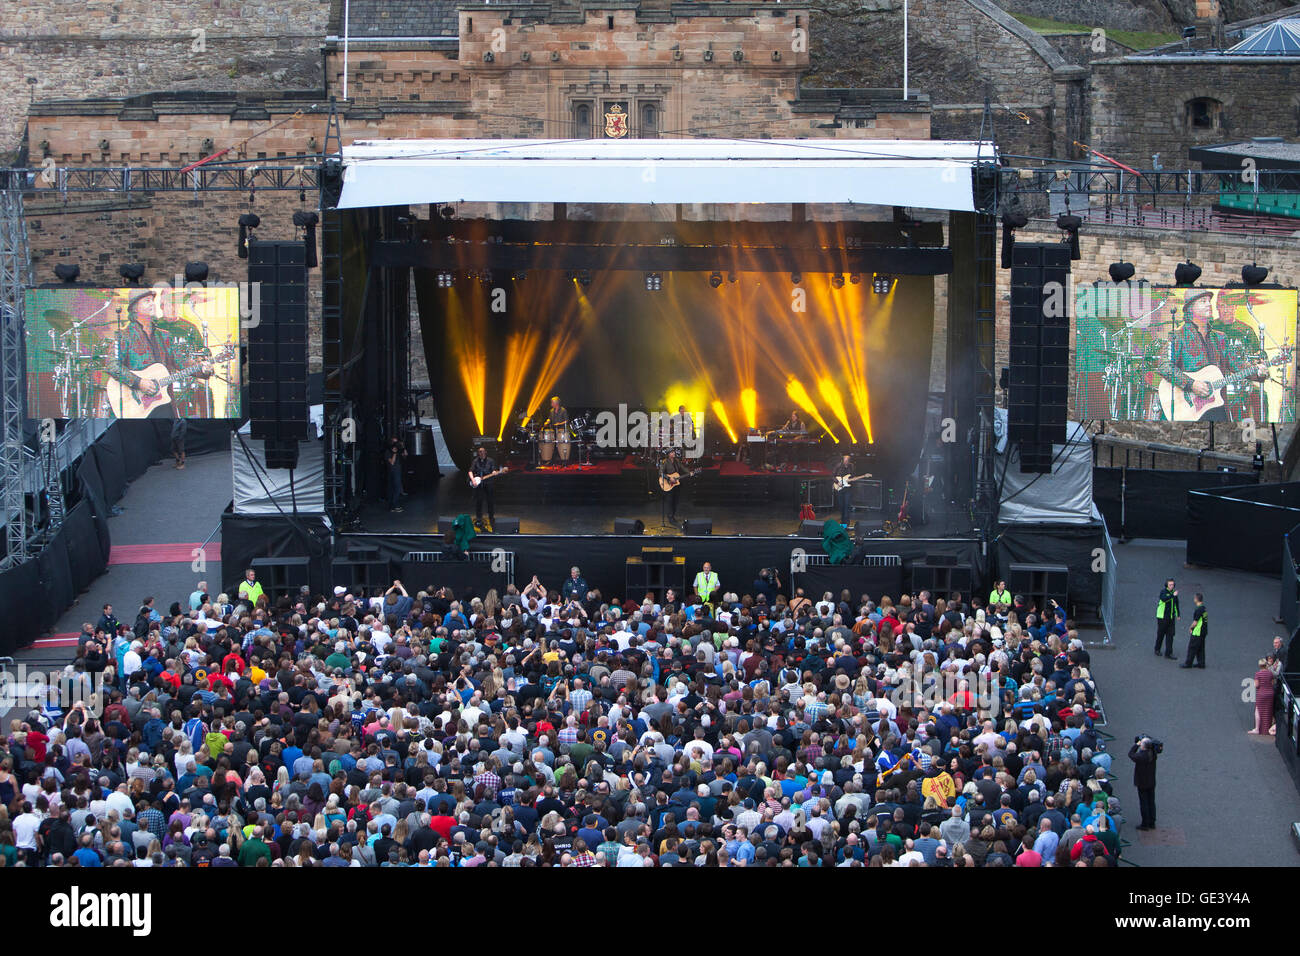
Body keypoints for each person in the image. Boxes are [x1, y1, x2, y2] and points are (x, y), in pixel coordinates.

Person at [103, 288, 214, 419]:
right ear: (135, 308)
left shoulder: (164, 336)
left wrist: (202, 369)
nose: (152, 304)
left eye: (152, 301)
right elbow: (112, 365)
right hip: (138, 407)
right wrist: (139, 382)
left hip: (164, 401)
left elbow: (182, 362)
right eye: (147, 301)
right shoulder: (124, 335)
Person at [1159, 290, 1267, 422]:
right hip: (1188, 410)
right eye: (1203, 301)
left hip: (1216, 405)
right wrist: (1192, 384)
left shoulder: (1220, 337)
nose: (1208, 304)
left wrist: (1258, 372)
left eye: (1209, 301)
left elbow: (1237, 364)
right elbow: (1164, 366)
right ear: (1190, 308)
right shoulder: (1178, 336)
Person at [469, 445, 503, 532]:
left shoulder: (490, 461)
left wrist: (495, 472)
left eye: (483, 452)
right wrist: (473, 480)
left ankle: (491, 516)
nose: (481, 453)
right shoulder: (475, 461)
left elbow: (494, 470)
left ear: (485, 452)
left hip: (489, 483)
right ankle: (479, 517)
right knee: (479, 500)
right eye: (480, 452)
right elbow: (470, 471)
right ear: (478, 453)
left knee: (490, 500)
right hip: (479, 484)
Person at [1128, 736, 1159, 830]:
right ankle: (1152, 822)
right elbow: (1153, 746)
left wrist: (1136, 745)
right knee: (1151, 802)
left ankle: (1145, 823)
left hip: (1142, 783)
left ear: (1143, 747)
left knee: (1144, 803)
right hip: (1151, 782)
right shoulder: (1153, 753)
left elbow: (1130, 754)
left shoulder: (1141, 756)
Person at [1180, 592, 1207, 669]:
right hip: (1203, 632)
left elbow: (1195, 622)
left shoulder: (1198, 610)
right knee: (1201, 648)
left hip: (1197, 632)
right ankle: (1201, 663)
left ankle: (1188, 663)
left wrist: (1190, 627)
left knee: (1192, 647)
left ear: (1196, 599)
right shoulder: (1204, 608)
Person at [1250, 658, 1276, 736]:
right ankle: (1267, 728)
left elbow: (1256, 685)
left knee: (1258, 710)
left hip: (1261, 694)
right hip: (1270, 694)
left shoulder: (1258, 674)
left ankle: (1257, 729)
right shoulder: (1270, 673)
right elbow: (1272, 683)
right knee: (1268, 711)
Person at [1154, 578, 1179, 658]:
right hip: (1162, 617)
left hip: (1171, 617)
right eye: (1170, 584)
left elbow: (1176, 604)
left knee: (1170, 635)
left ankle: (1168, 653)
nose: (1172, 586)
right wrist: (1172, 595)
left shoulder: (1173, 593)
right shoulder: (1163, 592)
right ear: (1167, 585)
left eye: (1173, 584)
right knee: (1161, 634)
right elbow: (1164, 599)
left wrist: (1178, 614)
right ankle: (1157, 649)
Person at [831, 453, 855, 526]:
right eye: (845, 460)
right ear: (842, 460)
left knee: (847, 505)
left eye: (847, 460)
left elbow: (853, 475)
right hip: (840, 488)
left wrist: (851, 479)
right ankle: (842, 520)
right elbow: (832, 476)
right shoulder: (838, 466)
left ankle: (846, 523)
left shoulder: (851, 466)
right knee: (841, 505)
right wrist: (837, 482)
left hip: (848, 488)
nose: (846, 462)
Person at [386, 438, 406, 513]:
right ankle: (394, 505)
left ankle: (394, 505)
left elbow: (405, 456)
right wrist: (394, 453)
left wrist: (403, 448)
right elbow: (392, 462)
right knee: (395, 488)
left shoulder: (398, 451)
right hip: (392, 472)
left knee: (398, 488)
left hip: (398, 471)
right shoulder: (388, 452)